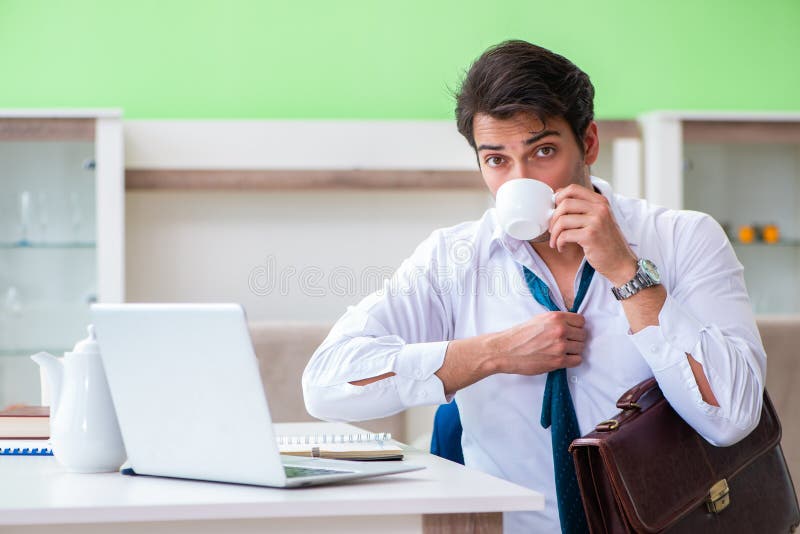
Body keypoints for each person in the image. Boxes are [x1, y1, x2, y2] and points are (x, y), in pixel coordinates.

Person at [302, 40, 766, 533]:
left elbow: (732, 418)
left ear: (588, 143)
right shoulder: (453, 259)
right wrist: (491, 353)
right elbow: (326, 384)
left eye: (543, 151)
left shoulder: (682, 238)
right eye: (497, 160)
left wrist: (627, 273)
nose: (520, 178)